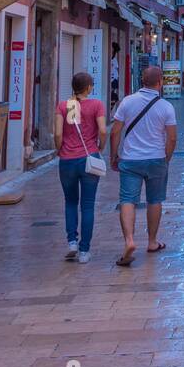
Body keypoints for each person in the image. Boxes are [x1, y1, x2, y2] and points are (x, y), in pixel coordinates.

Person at [109, 66, 177, 266]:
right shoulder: (166, 106)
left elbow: (115, 131)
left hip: (130, 159)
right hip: (156, 158)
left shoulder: (127, 102)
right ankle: (152, 241)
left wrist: (114, 155)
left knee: (127, 200)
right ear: (160, 82)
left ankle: (129, 240)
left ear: (142, 81)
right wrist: (166, 158)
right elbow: (172, 138)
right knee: (154, 200)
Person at [54, 72, 107, 264]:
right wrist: (101, 146)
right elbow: (102, 130)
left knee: (70, 202)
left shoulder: (66, 106)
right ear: (88, 88)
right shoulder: (96, 105)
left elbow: (58, 133)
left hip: (67, 160)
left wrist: (60, 149)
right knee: (87, 205)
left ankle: (71, 242)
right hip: (88, 158)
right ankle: (84, 251)